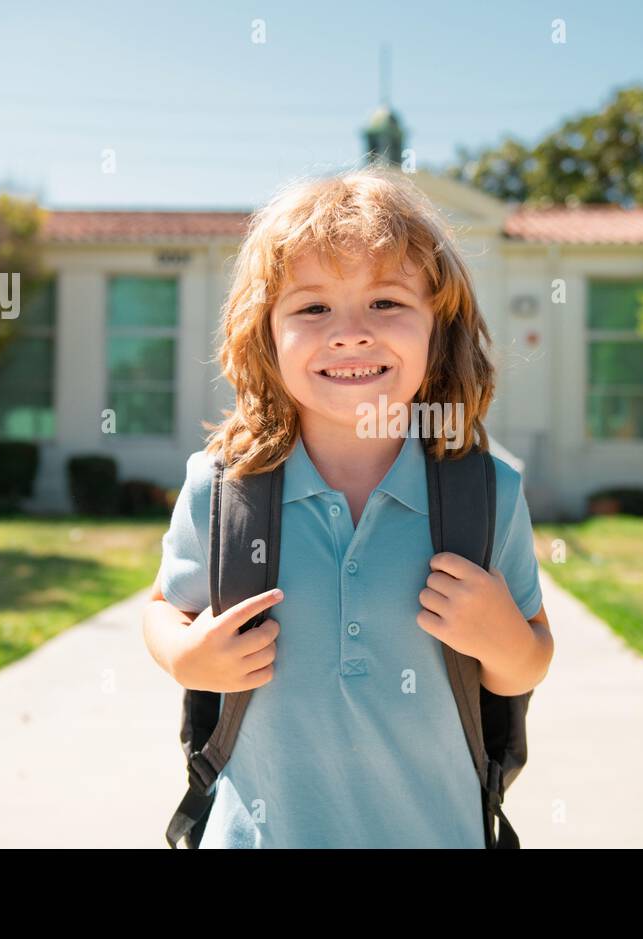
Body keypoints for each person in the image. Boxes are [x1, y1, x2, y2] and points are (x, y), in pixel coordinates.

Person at [142, 164, 553, 848]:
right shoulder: (224, 488)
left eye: (387, 303)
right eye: (312, 308)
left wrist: (502, 640)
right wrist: (186, 658)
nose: (351, 332)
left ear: (438, 328)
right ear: (265, 333)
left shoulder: (486, 493)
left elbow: (532, 654)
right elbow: (164, 608)